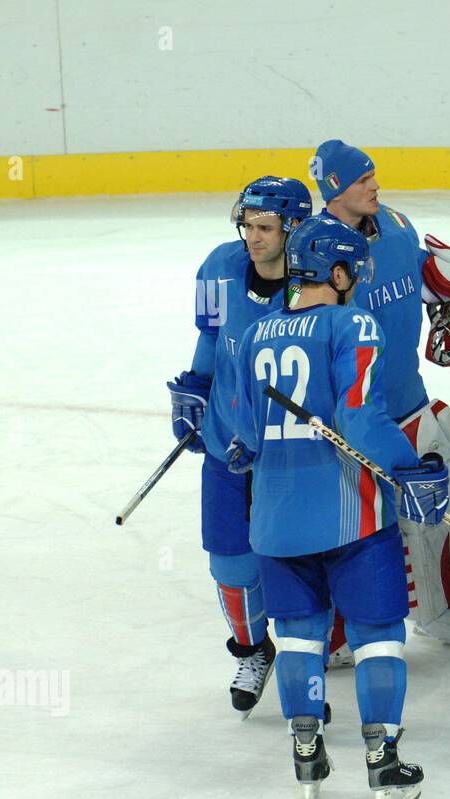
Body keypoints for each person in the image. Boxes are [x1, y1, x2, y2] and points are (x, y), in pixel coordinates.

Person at [227, 215, 449, 799]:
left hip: (275, 519)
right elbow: (360, 418)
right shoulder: (354, 322)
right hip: (351, 514)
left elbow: (244, 432)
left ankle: (307, 752)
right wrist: (408, 468)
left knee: (299, 636)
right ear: (341, 271)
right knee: (378, 636)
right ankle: (384, 762)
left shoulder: (257, 335)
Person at [313, 140, 450, 650]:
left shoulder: (394, 225)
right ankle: (337, 626)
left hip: (408, 403)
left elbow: (425, 273)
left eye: (373, 176)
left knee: (448, 505)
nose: (374, 185)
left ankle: (447, 601)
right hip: (348, 422)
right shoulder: (312, 252)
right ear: (334, 190)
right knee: (353, 532)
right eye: (361, 181)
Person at [167, 175, 311, 717]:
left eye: (265, 227)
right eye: (247, 225)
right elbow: (210, 338)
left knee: (299, 561)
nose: (252, 237)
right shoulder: (217, 266)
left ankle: (310, 665)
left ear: (294, 231)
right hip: (228, 443)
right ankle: (253, 650)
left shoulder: (319, 281)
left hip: (292, 455)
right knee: (229, 560)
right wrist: (195, 388)